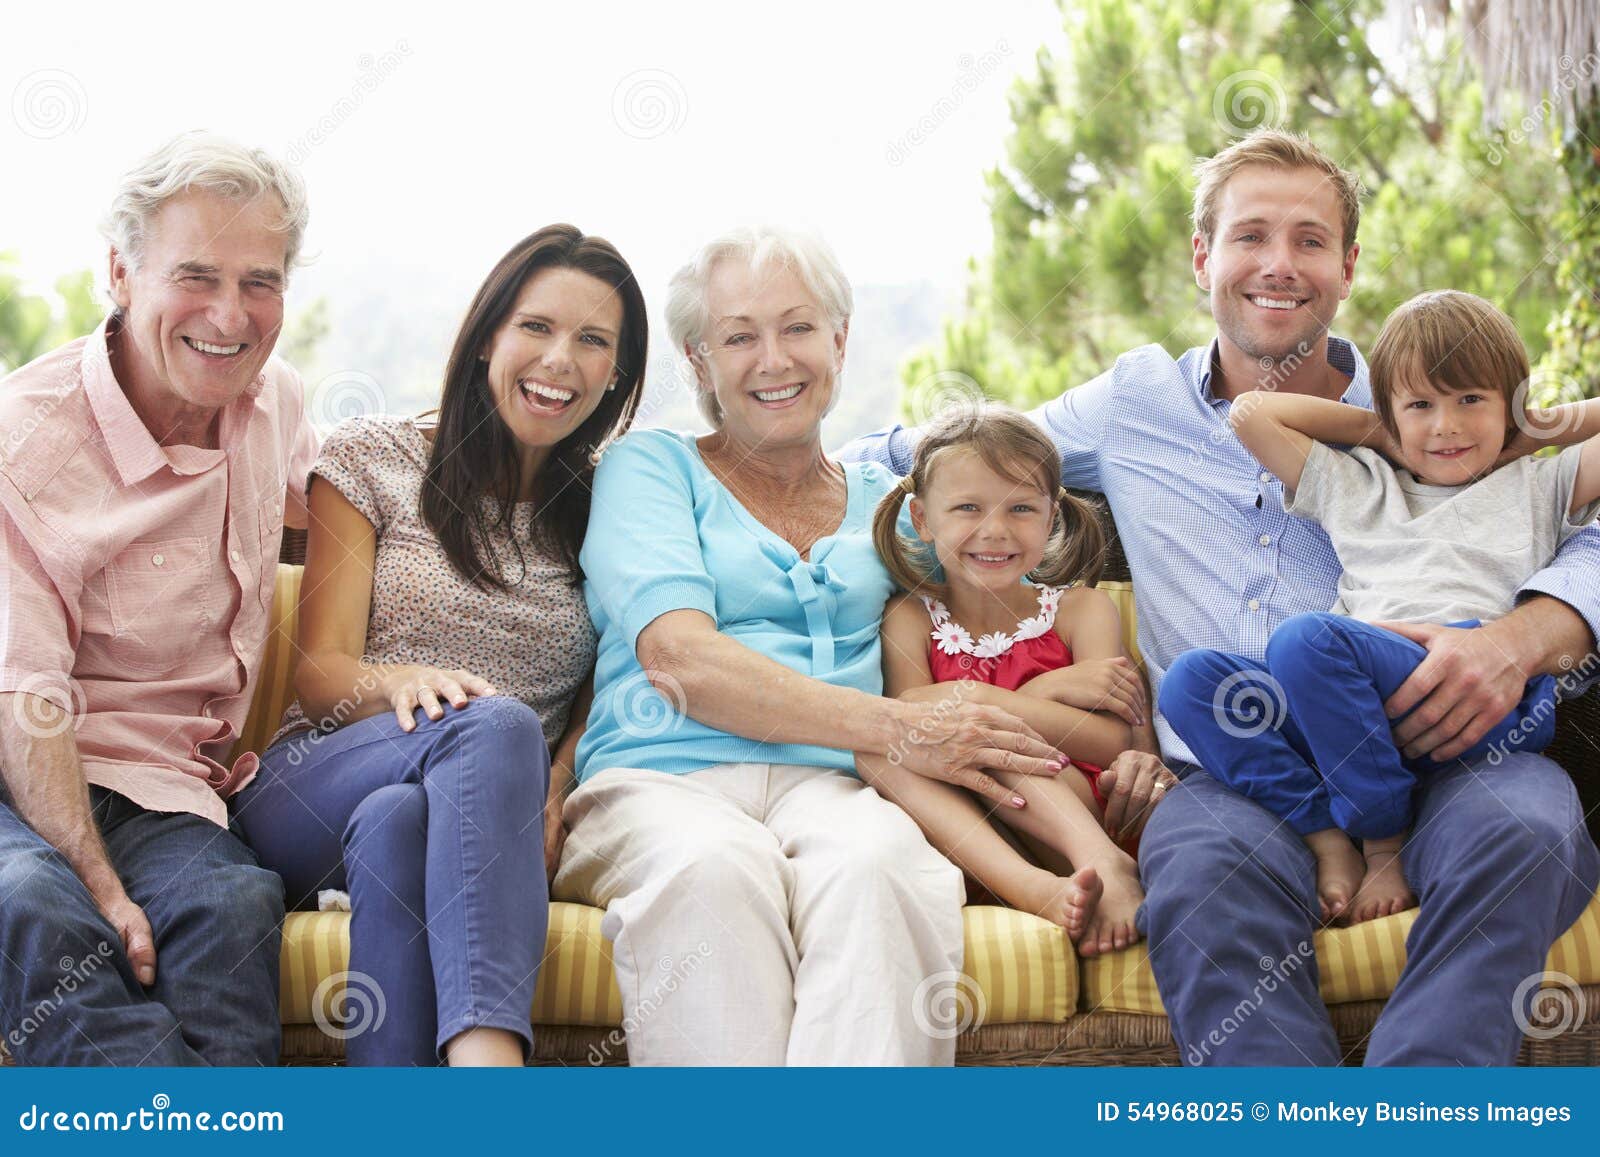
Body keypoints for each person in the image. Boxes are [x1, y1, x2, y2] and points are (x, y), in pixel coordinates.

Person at [842, 129, 1600, 1065]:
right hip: (1230, 769)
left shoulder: (1433, 408)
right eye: (1250, 236)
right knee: (1201, 873)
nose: (1279, 264)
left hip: (1443, 745)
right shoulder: (1134, 403)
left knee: (1529, 831)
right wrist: (778, 474)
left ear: (1348, 266)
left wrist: (1528, 632)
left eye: (1310, 240)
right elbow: (937, 457)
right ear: (1203, 257)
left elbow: (1558, 503)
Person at [553, 225, 1067, 1066]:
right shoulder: (649, 468)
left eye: (798, 327)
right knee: (714, 868)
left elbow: (1003, 595)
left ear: (840, 340)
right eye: (738, 337)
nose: (774, 359)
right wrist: (900, 727)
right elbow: (680, 661)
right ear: (698, 362)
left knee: (881, 865)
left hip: (838, 785)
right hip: (660, 779)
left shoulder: (897, 506)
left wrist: (1113, 727)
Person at [232, 225, 647, 1066]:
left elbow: (605, 686)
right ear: (488, 334)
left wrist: (557, 780)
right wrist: (402, 681)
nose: (560, 359)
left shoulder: (614, 506)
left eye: (592, 340)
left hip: (468, 811)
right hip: (316, 782)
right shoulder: (374, 458)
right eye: (536, 326)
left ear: (616, 372)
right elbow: (319, 675)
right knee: (496, 722)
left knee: (402, 821)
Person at [0, 133, 317, 1064]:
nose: (230, 315)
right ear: (120, 273)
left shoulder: (274, 403)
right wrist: (100, 886)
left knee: (233, 904)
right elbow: (26, 693)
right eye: (196, 275)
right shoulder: (23, 442)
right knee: (34, 906)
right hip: (20, 768)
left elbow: (349, 510)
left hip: (161, 783)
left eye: (260, 282)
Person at [1161, 290, 1600, 926]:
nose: (1445, 426)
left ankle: (1382, 840)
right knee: (1191, 683)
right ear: (1389, 414)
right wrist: (1383, 435)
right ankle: (1325, 833)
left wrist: (1527, 431)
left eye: (1470, 400)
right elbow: (1252, 413)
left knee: (1304, 642)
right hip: (1346, 713)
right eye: (1420, 405)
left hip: (1472, 698)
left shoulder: (1542, 484)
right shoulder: (1359, 483)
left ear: (1510, 403)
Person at [865, 406, 1162, 956]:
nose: (995, 530)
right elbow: (910, 720)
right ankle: (1035, 888)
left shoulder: (1080, 610)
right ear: (922, 519)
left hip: (1081, 813)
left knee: (981, 731)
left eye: (1021, 508)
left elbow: (1111, 739)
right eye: (967, 508)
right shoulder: (908, 617)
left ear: (1051, 518)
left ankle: (1102, 861)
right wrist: (1030, 695)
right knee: (885, 750)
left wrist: (982, 702)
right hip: (979, 835)